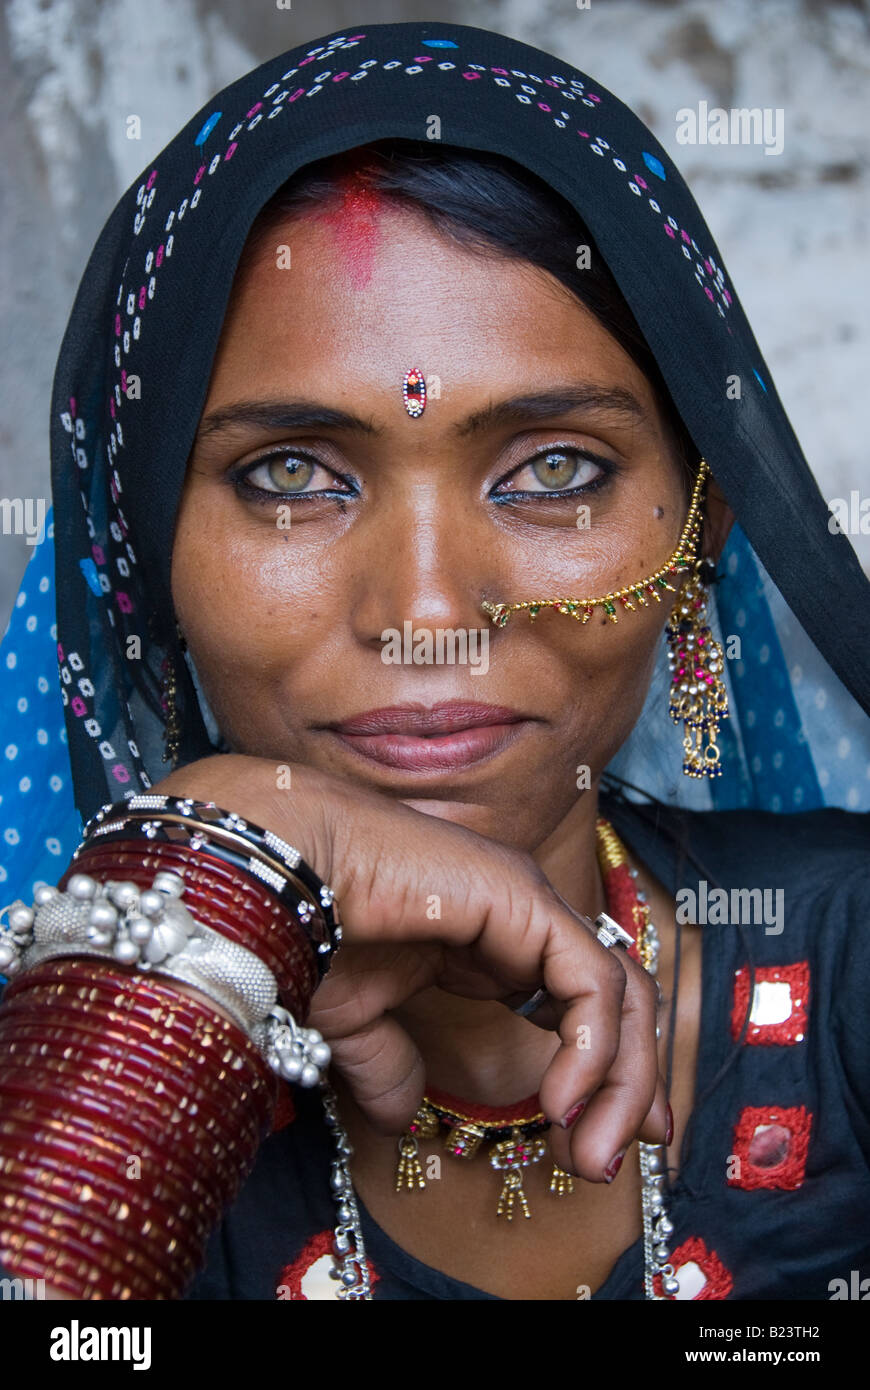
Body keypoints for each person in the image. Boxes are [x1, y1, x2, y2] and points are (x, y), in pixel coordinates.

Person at [0, 20, 868, 1303]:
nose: (424, 611)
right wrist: (214, 879)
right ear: (147, 554)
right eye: (290, 475)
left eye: (553, 471)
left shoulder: (847, 966)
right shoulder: (58, 1045)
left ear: (703, 526)